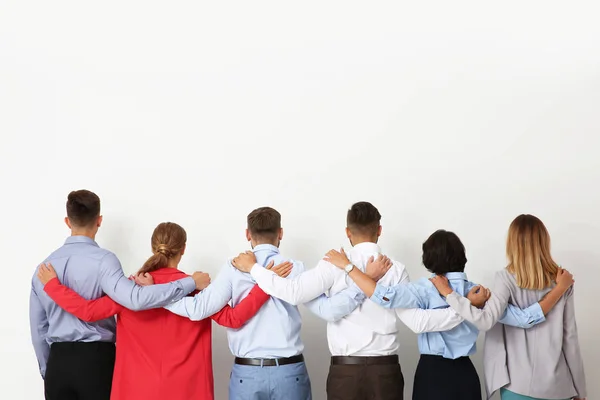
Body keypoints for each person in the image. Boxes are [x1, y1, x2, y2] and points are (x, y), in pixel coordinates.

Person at [232, 202, 464, 400]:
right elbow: (417, 322)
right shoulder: (395, 269)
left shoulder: (332, 262)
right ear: (379, 230)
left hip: (345, 372)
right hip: (386, 372)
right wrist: (463, 308)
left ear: (347, 232)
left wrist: (254, 268)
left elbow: (293, 293)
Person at [36, 222, 291, 400]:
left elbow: (88, 311)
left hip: (136, 393)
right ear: (183, 249)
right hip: (188, 392)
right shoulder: (198, 288)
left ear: (153, 247)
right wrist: (267, 283)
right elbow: (234, 318)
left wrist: (53, 286)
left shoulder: (130, 289)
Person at [325, 228, 573, 400]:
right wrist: (559, 289)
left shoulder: (424, 288)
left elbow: (381, 296)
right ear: (461, 257)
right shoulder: (479, 292)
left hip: (432, 375)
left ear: (429, 260)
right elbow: (524, 318)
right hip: (465, 375)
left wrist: (348, 267)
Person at [163, 207, 382, 400]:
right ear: (281, 233)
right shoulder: (294, 268)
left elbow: (199, 309)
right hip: (289, 374)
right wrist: (365, 283)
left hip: (246, 375)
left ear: (248, 234)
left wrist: (158, 299)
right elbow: (330, 310)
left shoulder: (233, 268)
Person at [29, 190, 206, 400]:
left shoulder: (43, 269)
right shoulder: (104, 261)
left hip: (58, 363)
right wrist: (190, 282)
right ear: (99, 220)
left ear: (68, 221)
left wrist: (48, 369)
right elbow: (134, 300)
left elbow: (38, 329)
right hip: (96, 362)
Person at [429, 215, 586, 400]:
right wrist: (580, 390)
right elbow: (570, 338)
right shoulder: (563, 281)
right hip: (558, 385)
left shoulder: (506, 278)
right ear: (544, 241)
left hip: (517, 384)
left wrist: (449, 294)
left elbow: (486, 320)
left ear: (512, 243)